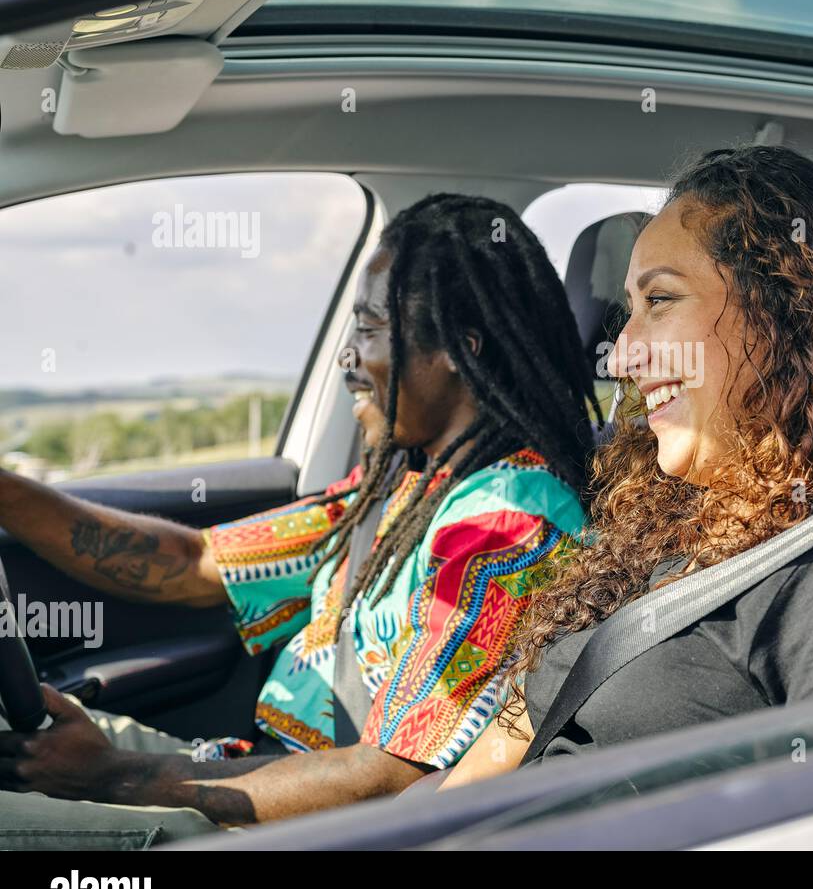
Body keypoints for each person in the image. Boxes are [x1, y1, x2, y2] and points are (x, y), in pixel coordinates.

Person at [0, 194, 599, 847]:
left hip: (313, 832)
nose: (349, 360)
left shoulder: (507, 527)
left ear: (461, 349)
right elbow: (191, 563)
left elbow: (392, 778)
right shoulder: (400, 487)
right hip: (254, 777)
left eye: (369, 329)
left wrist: (116, 778)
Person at [441, 145, 813, 787]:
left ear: (791, 313)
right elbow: (500, 755)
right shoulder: (681, 528)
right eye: (629, 310)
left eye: (661, 300)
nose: (622, 355)